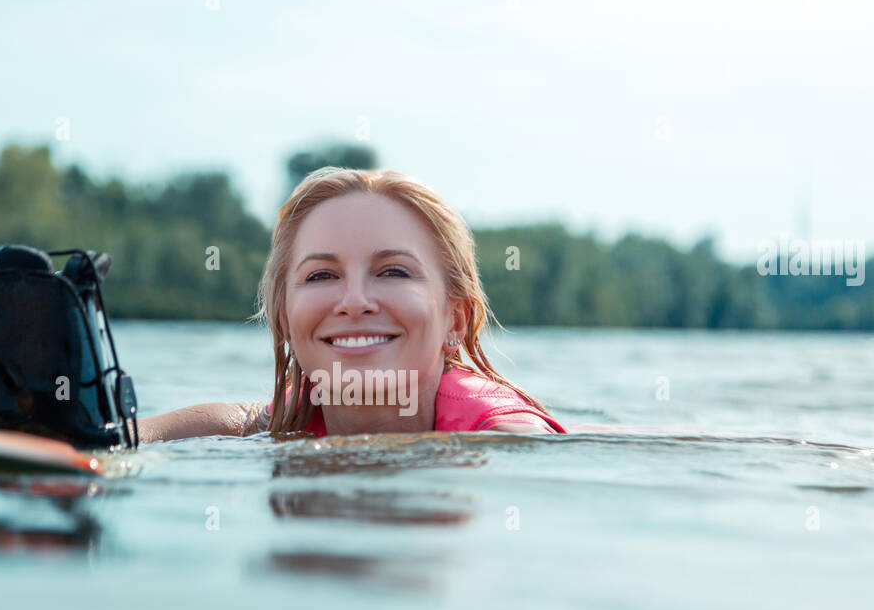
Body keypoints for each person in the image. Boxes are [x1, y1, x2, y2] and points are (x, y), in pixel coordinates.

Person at [134, 167, 567, 442]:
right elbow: (231, 421)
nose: (354, 301)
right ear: (285, 318)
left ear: (456, 319)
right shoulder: (293, 416)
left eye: (393, 271)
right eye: (321, 275)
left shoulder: (504, 439)